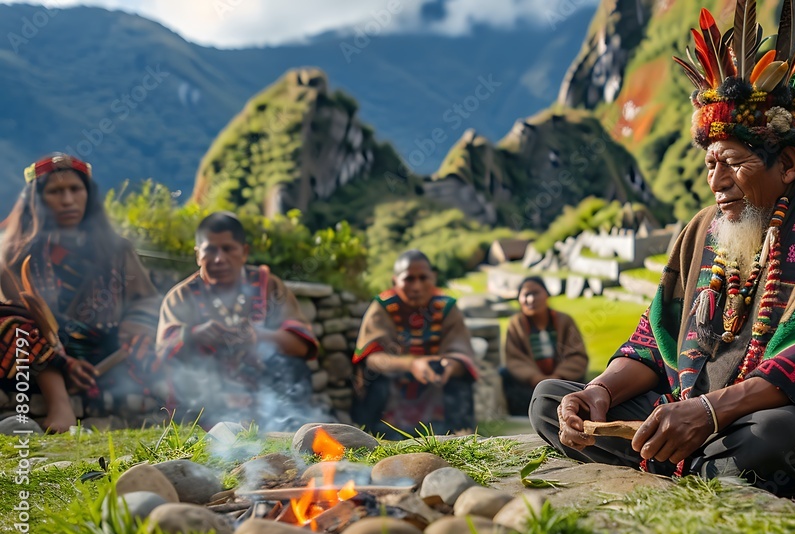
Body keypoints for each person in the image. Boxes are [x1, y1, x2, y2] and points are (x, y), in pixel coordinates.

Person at [529, 0, 795, 501]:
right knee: (550, 400)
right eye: (710, 164)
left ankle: (684, 459)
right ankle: (698, 464)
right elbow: (654, 342)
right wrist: (599, 391)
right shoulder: (702, 230)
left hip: (775, 420)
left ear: (789, 164)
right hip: (694, 413)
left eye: (732, 161)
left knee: (775, 440)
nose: (716, 180)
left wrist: (710, 413)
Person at [0, 153, 161, 432]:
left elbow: (146, 300)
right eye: (55, 191)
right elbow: (21, 310)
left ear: (88, 194)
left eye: (75, 189)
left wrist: (134, 328)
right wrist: (64, 361)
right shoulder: (13, 253)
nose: (67, 200)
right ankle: (58, 399)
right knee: (13, 324)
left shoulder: (117, 249)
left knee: (169, 342)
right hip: (42, 354)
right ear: (37, 200)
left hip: (103, 351)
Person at [155, 212, 320, 430]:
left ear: (244, 252)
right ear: (198, 255)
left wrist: (258, 337)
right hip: (207, 396)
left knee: (291, 367)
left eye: (228, 249)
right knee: (189, 373)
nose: (219, 258)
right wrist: (193, 335)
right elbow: (162, 352)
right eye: (210, 250)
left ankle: (288, 430)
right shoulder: (181, 297)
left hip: (264, 392)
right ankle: (204, 432)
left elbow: (301, 345)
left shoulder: (269, 286)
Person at [352, 250, 477, 437]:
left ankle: (459, 437)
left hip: (435, 389)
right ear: (395, 282)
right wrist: (412, 365)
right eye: (409, 279)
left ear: (433, 278)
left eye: (423, 278)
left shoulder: (447, 307)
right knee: (374, 378)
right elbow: (372, 358)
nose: (416, 287)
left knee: (459, 381)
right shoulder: (383, 306)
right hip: (393, 390)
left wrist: (449, 366)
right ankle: (373, 435)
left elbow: (462, 354)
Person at [501, 276, 588, 416]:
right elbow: (514, 359)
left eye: (535, 293)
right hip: (529, 386)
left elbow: (577, 356)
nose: (530, 299)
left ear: (546, 295)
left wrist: (558, 376)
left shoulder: (564, 321)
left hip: (563, 382)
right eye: (525, 295)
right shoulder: (516, 324)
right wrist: (535, 377)